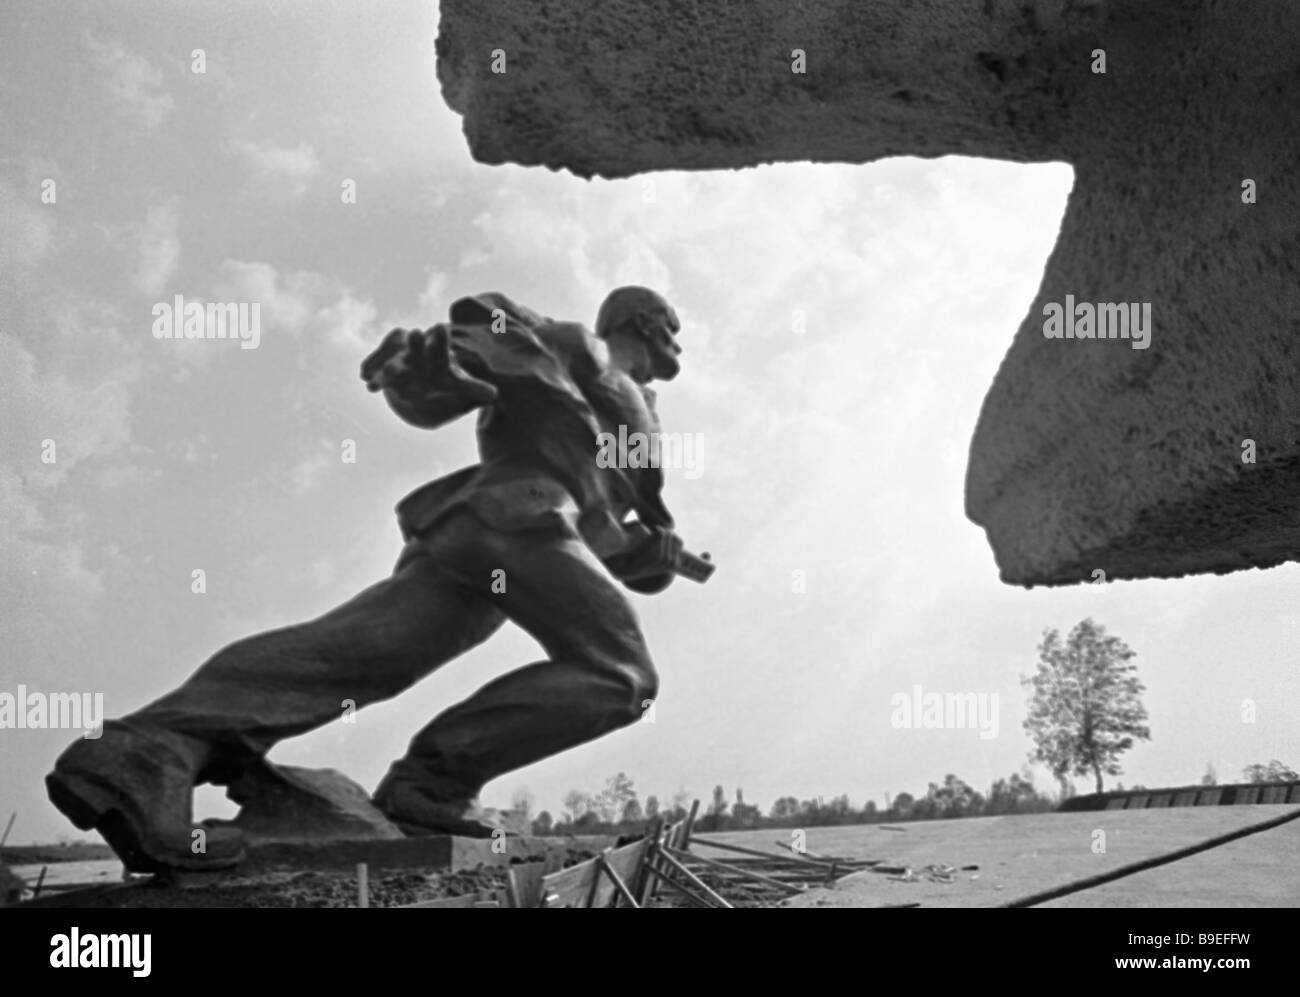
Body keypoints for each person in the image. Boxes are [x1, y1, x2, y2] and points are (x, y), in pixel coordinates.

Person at [46, 287, 702, 872]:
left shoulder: (640, 412)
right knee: (622, 676)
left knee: (362, 652)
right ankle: (432, 784)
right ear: (644, 323)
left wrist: (654, 552)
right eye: (669, 324)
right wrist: (425, 366)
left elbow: (605, 534)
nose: (677, 339)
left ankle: (147, 749)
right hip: (518, 516)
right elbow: (474, 351)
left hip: (490, 536)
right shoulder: (581, 346)